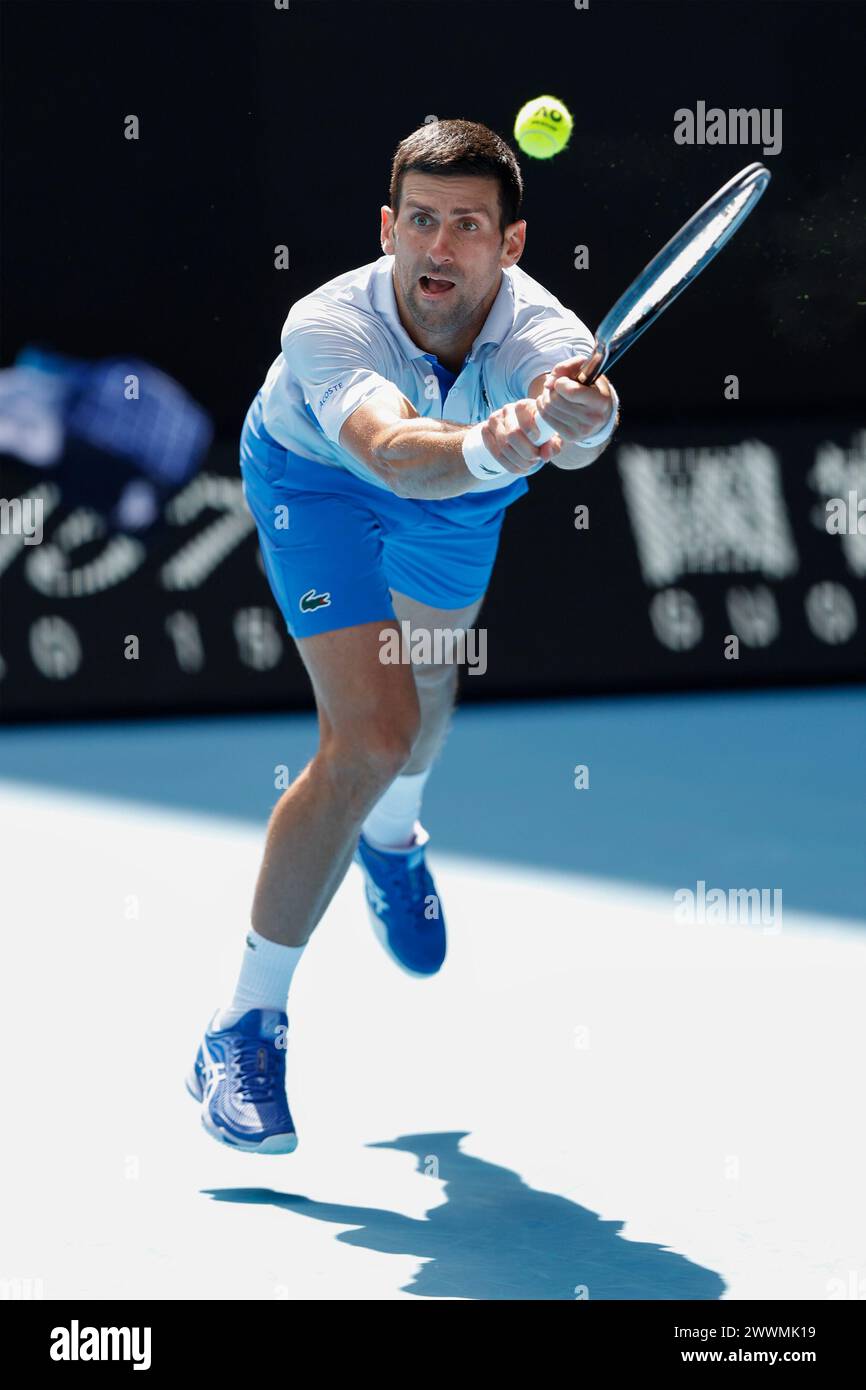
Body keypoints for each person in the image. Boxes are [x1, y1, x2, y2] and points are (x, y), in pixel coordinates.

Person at [187, 118, 620, 1153]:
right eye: (419, 220)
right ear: (386, 227)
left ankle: (393, 839)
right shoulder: (326, 325)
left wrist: (577, 420)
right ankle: (240, 1027)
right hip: (318, 484)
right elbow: (386, 449)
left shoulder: (540, 335)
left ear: (508, 245)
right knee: (370, 734)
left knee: (419, 718)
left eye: (466, 226)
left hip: (461, 504)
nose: (437, 247)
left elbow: (588, 429)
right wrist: (487, 443)